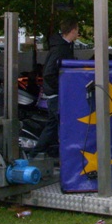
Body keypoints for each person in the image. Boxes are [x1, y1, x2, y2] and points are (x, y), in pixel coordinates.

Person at [31, 17, 78, 158]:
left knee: (53, 124)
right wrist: (61, 88)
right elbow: (49, 73)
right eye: (77, 30)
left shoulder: (60, 47)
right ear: (73, 30)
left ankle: (37, 153)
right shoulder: (61, 50)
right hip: (57, 94)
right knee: (57, 125)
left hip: (55, 93)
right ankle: (37, 153)